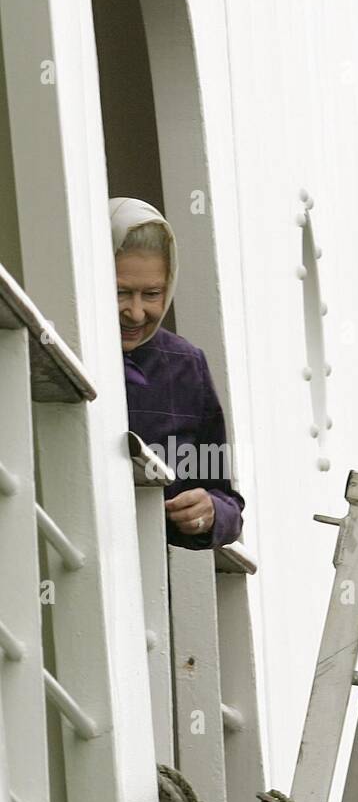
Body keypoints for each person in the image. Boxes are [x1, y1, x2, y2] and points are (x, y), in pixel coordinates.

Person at [109, 197, 245, 550]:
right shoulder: (49, 342)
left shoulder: (186, 366)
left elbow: (225, 499)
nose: (136, 313)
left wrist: (210, 511)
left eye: (151, 294)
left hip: (145, 582)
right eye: (121, 292)